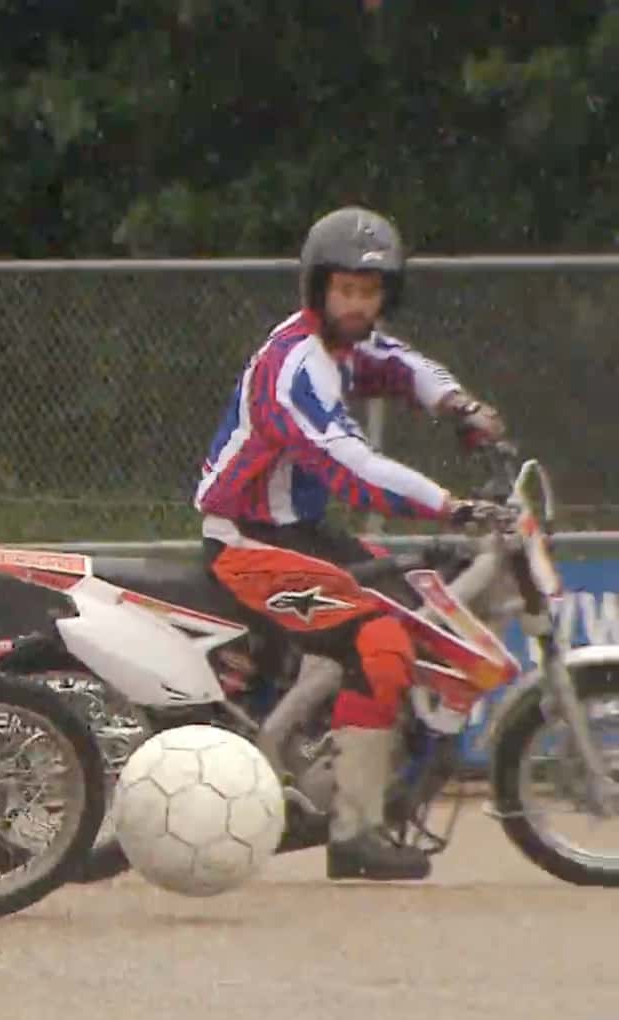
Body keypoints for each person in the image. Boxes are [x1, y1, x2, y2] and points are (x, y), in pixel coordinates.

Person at [194, 205, 508, 881]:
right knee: (380, 642)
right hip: (248, 543)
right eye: (345, 290)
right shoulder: (296, 367)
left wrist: (460, 407)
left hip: (296, 534)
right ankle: (353, 832)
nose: (358, 305)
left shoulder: (344, 346)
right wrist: (450, 507)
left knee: (400, 602)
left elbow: (402, 365)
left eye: (370, 293)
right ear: (317, 290)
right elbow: (356, 471)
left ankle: (341, 762)